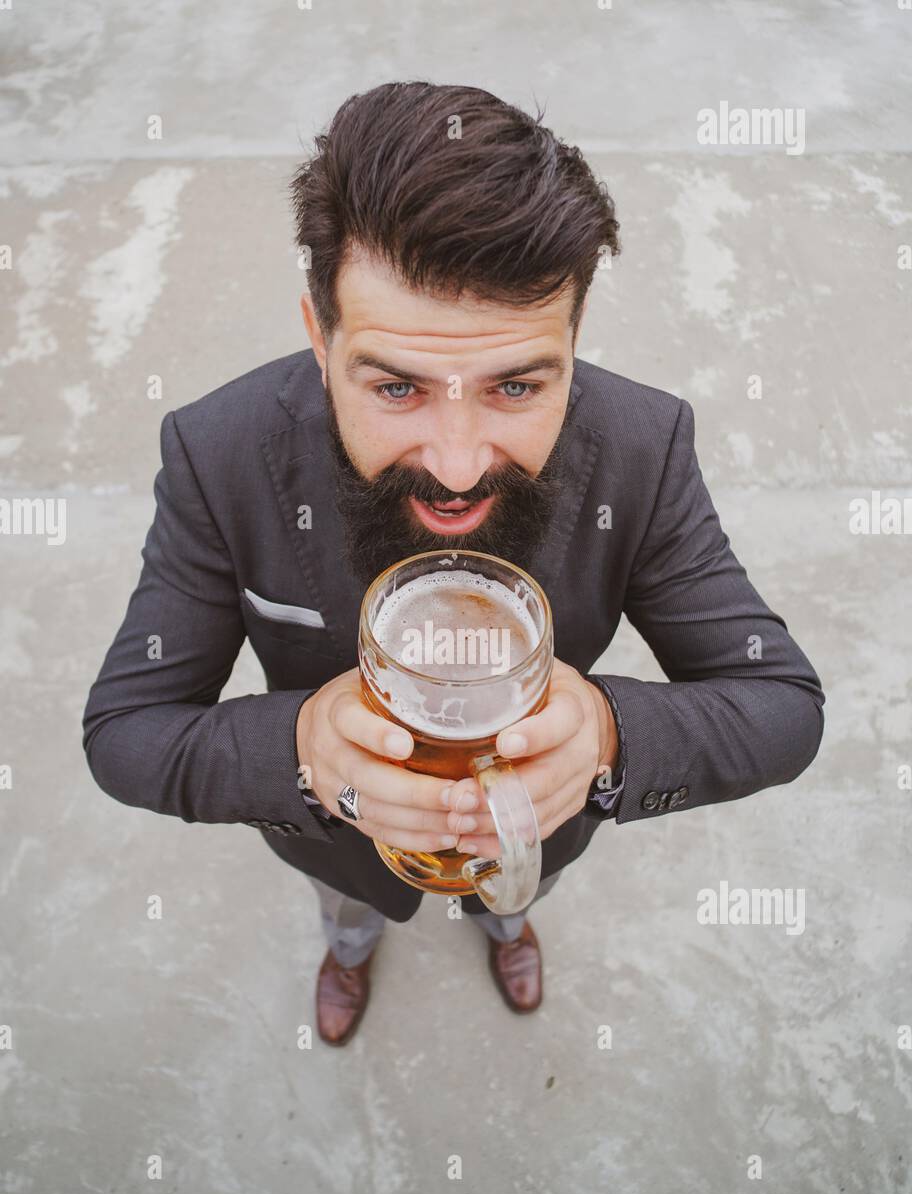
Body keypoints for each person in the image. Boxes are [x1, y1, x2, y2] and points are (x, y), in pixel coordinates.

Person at [82, 81, 825, 1046]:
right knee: (346, 911)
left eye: (518, 383)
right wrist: (303, 752)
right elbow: (126, 730)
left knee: (520, 892)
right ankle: (349, 951)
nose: (459, 463)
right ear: (320, 335)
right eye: (397, 385)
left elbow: (783, 705)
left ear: (574, 341)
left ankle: (509, 927)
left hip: (541, 826)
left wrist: (604, 733)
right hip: (338, 845)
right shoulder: (218, 452)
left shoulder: (644, 445)